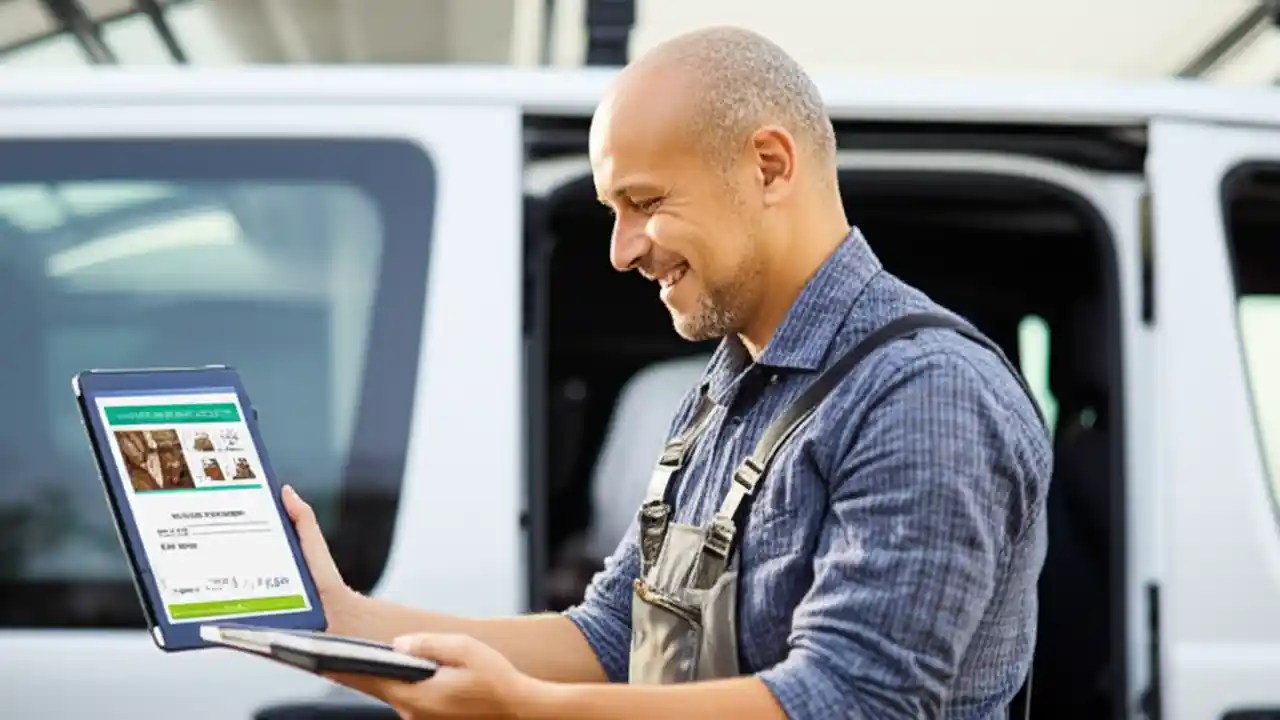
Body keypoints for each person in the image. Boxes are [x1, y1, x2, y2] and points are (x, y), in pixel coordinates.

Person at [281, 25, 1052, 719]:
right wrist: (342, 621)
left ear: (770, 167)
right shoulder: (721, 395)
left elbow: (853, 699)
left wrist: (528, 712)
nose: (621, 250)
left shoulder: (925, 394)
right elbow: (613, 634)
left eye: (644, 202)